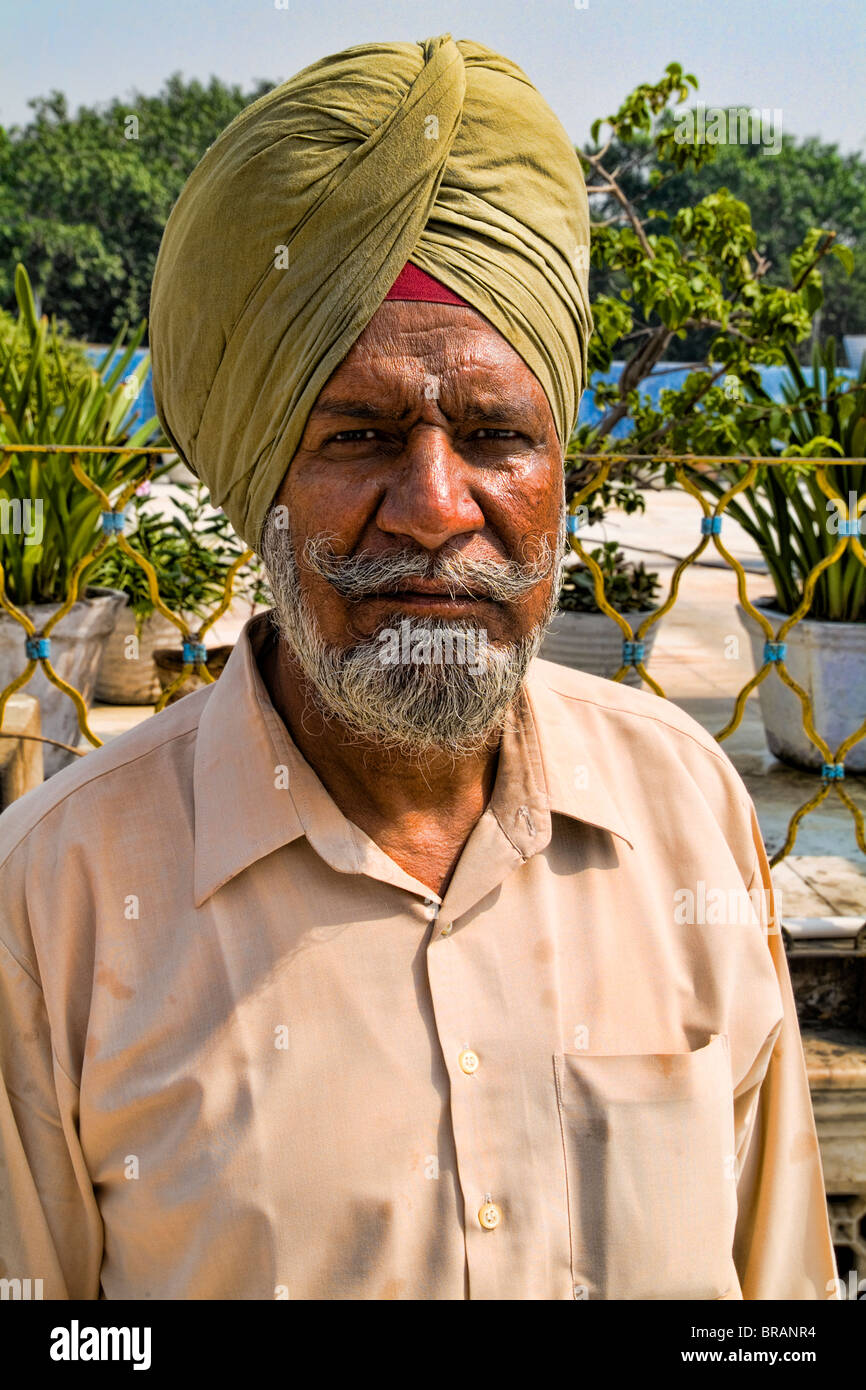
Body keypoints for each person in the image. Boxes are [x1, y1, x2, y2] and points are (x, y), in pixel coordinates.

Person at [0, 35, 836, 1300]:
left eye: (497, 435)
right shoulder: (55, 899)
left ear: (558, 477)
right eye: (362, 435)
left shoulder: (687, 814)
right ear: (259, 482)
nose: (435, 506)